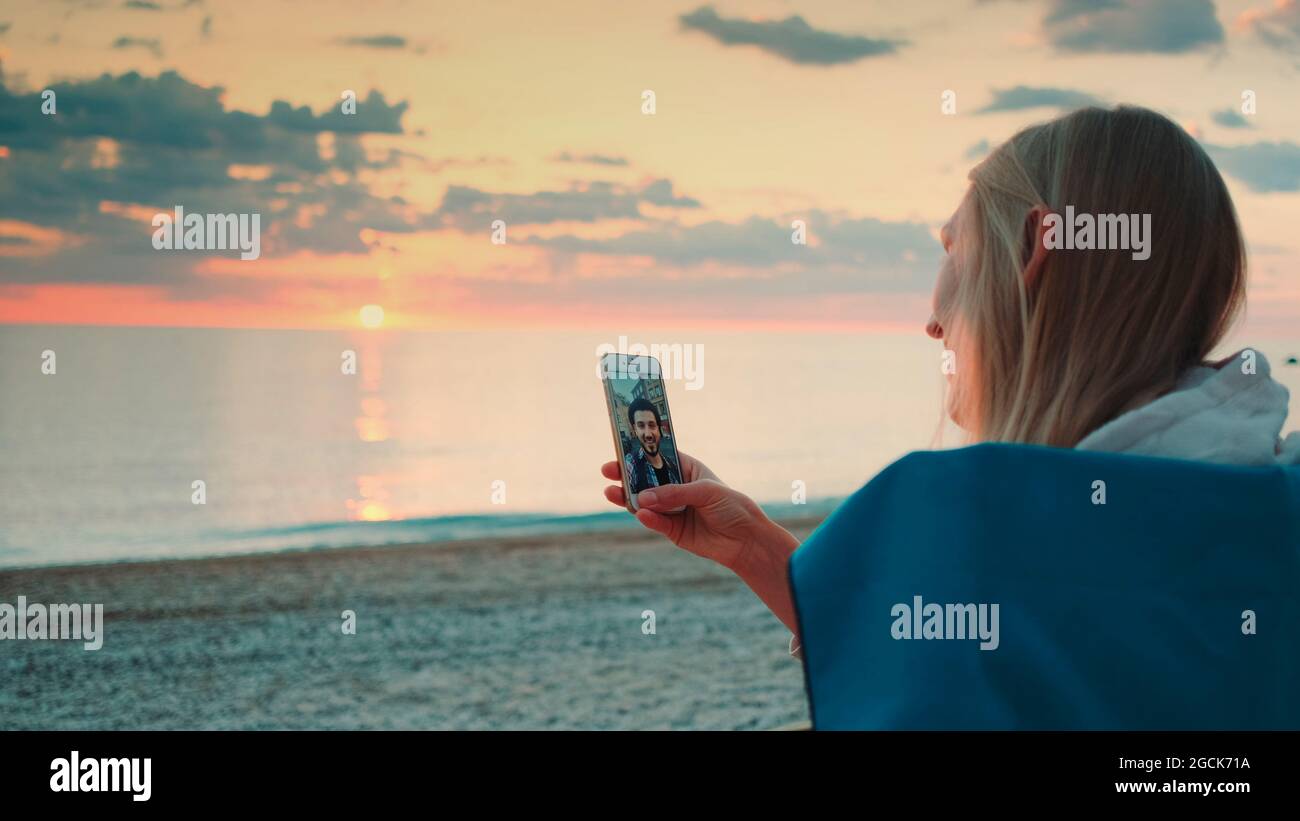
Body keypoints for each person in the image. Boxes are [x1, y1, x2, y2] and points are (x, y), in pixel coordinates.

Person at [599, 105, 1300, 652]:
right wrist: (755, 545)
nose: (933, 319)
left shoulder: (979, 539)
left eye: (955, 248)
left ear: (1036, 251)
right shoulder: (1262, 511)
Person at [623, 397, 681, 494]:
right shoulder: (630, 465)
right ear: (635, 429)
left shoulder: (673, 465)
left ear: (659, 428)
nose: (648, 434)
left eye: (652, 425)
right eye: (641, 426)